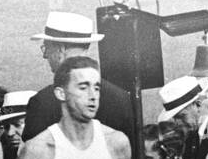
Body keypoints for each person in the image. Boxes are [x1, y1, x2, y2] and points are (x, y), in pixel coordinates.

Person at [23, 12, 133, 141]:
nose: (45, 55)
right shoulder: (121, 98)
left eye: (46, 48)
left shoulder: (42, 102)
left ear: (61, 49)